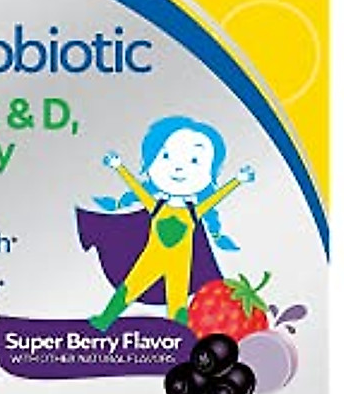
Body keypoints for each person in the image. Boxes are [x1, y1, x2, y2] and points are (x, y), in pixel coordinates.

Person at [89, 116, 255, 330]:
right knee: (129, 289)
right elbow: (137, 189)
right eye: (166, 156)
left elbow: (215, 198)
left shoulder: (194, 212)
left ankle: (180, 336)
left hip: (179, 264)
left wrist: (238, 180)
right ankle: (105, 320)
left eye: (194, 161)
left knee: (177, 302)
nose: (178, 168)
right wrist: (118, 167)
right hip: (150, 260)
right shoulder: (157, 206)